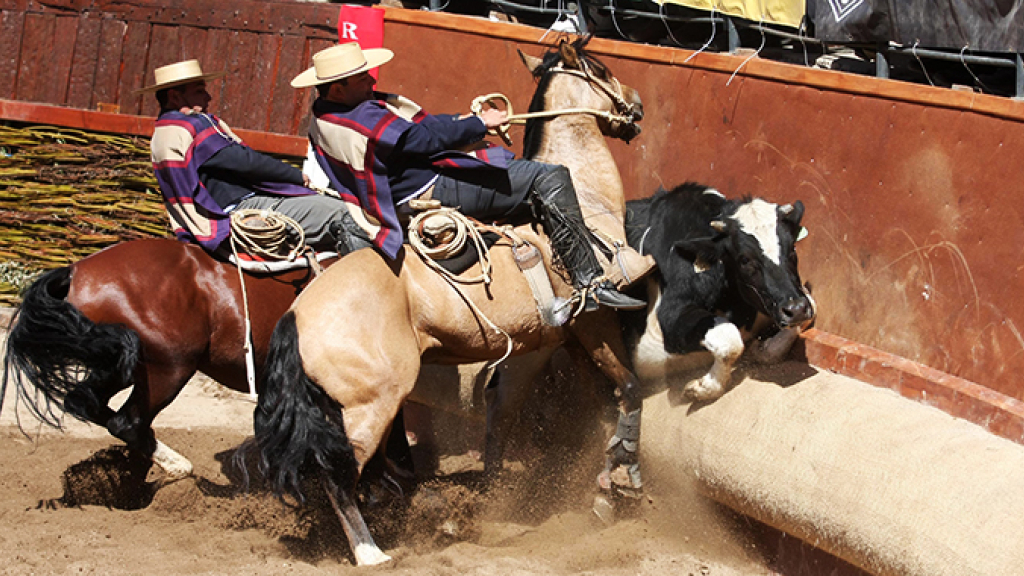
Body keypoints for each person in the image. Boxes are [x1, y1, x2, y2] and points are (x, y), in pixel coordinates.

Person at [292, 42, 648, 310]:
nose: (371, 79)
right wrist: (480, 124)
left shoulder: (329, 114)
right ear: (338, 88)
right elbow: (422, 139)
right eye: (361, 77)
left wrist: (465, 122)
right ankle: (589, 283)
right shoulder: (362, 117)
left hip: (396, 193)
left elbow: (423, 129)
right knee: (550, 178)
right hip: (429, 189)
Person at [139, 59, 355, 257]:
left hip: (209, 212)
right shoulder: (193, 125)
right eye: (199, 91)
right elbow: (242, 161)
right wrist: (295, 176)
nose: (208, 97)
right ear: (175, 96)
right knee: (347, 215)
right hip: (242, 207)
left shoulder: (163, 132)